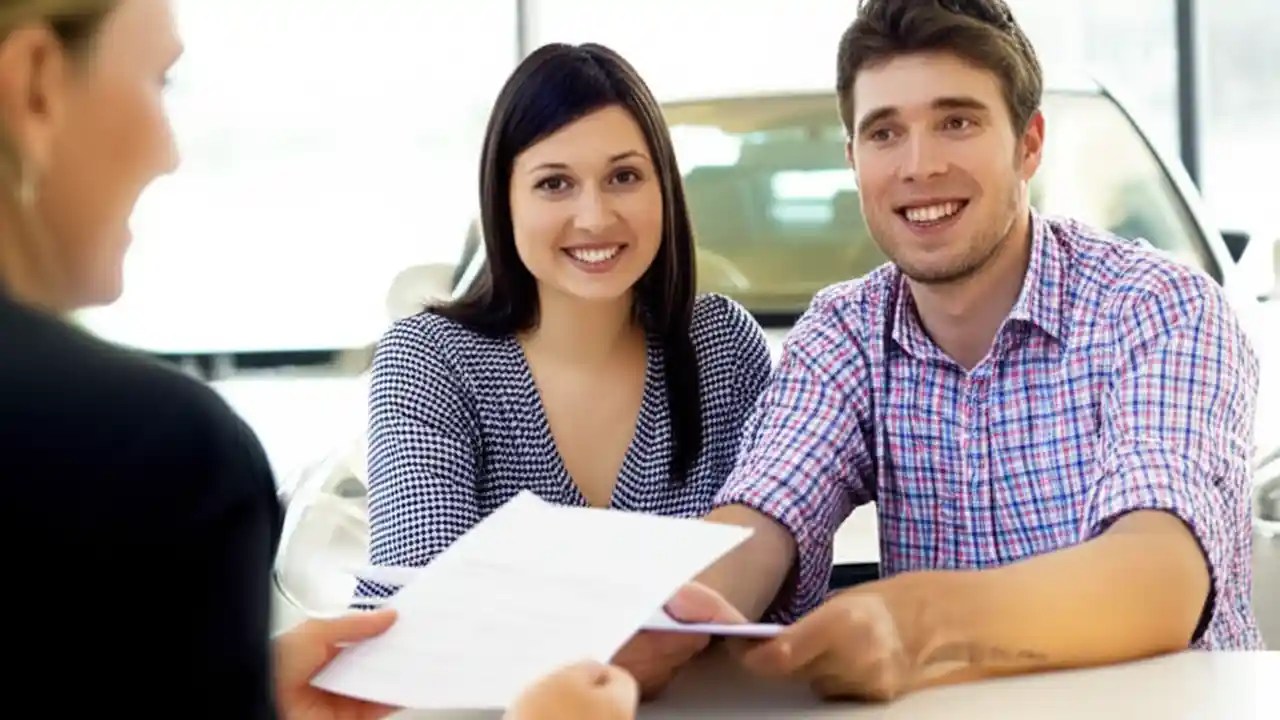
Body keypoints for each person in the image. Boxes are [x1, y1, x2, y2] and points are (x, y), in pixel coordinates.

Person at [615, 0, 1266, 702]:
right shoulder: (844, 333)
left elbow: (1157, 580)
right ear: (854, 160)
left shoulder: (1158, 309)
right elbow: (764, 512)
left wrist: (916, 621)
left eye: (956, 122)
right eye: (885, 132)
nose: (919, 166)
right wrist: (676, 616)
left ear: (1029, 143)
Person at [0, 2, 638, 717]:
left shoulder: (720, 342)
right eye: (159, 82)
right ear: (34, 85)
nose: (170, 150)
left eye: (624, 177)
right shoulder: (148, 452)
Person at [356, 42, 771, 599]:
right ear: (503, 202)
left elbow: (771, 596)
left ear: (664, 189)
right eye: (555, 184)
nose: (595, 217)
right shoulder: (430, 360)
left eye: (624, 177)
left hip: (708, 690)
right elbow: (417, 610)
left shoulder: (722, 346)